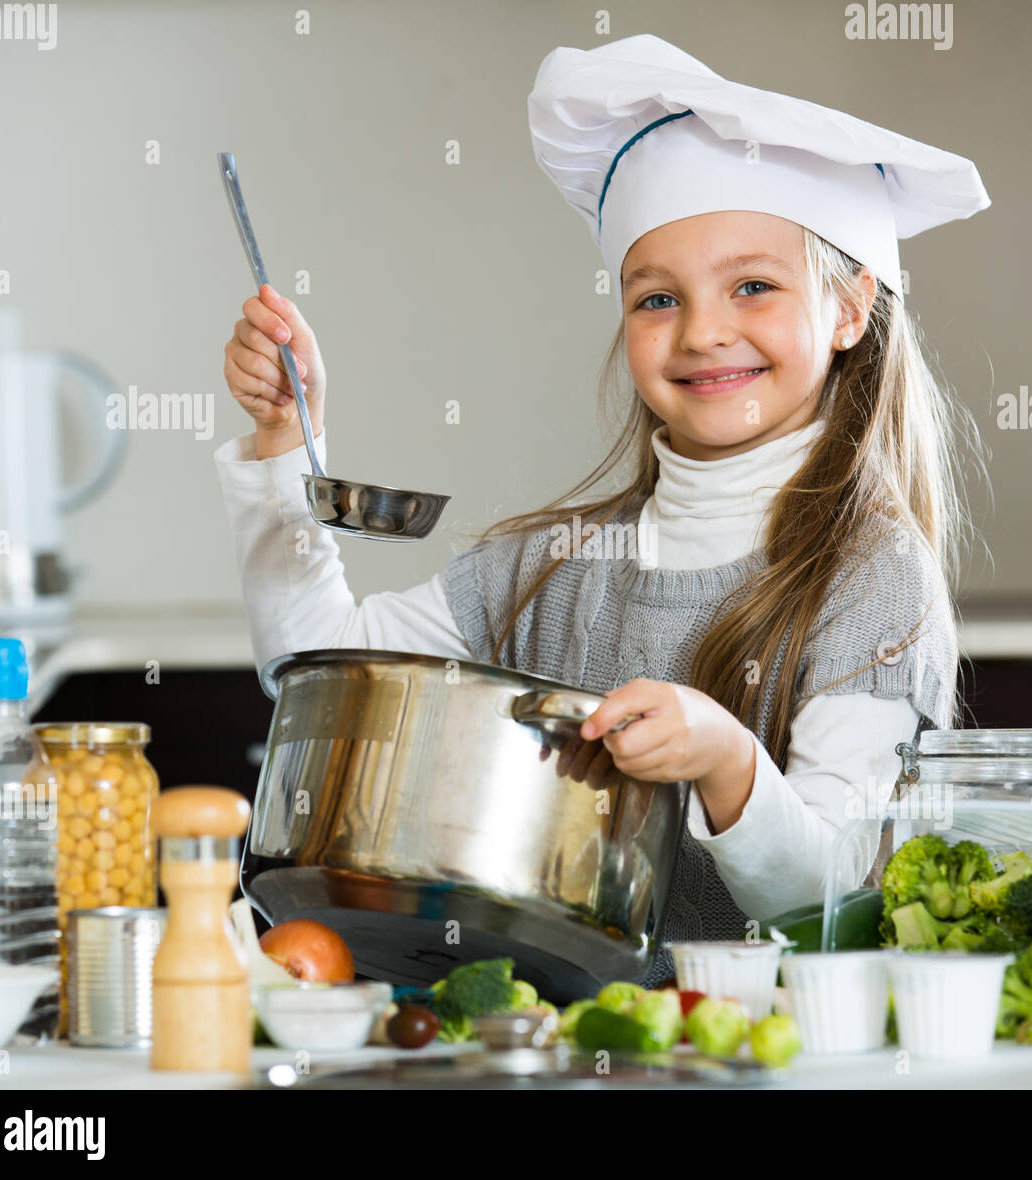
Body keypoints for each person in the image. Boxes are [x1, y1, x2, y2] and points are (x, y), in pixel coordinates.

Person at [215, 34, 991, 986]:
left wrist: (724, 759)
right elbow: (311, 665)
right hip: (541, 1047)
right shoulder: (555, 563)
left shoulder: (874, 579)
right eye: (658, 297)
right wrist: (285, 442)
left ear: (848, 310)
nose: (704, 330)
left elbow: (827, 895)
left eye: (754, 285)